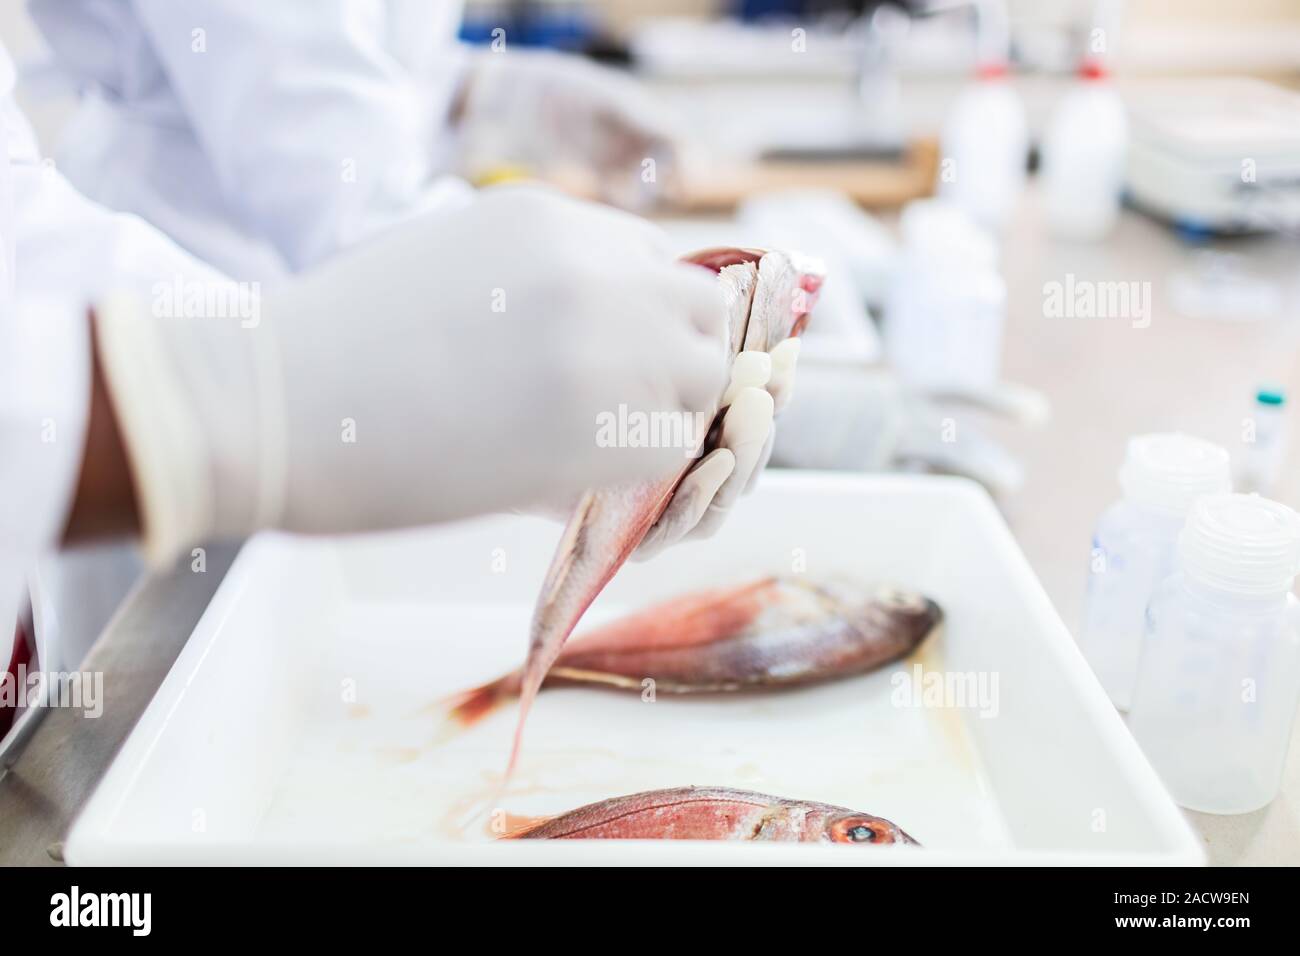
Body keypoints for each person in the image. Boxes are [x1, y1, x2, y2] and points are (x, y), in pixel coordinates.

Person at [0, 27, 786, 745]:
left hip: (170, 320)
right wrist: (226, 398)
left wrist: (478, 96)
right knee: (165, 738)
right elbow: (322, 144)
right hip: (135, 361)